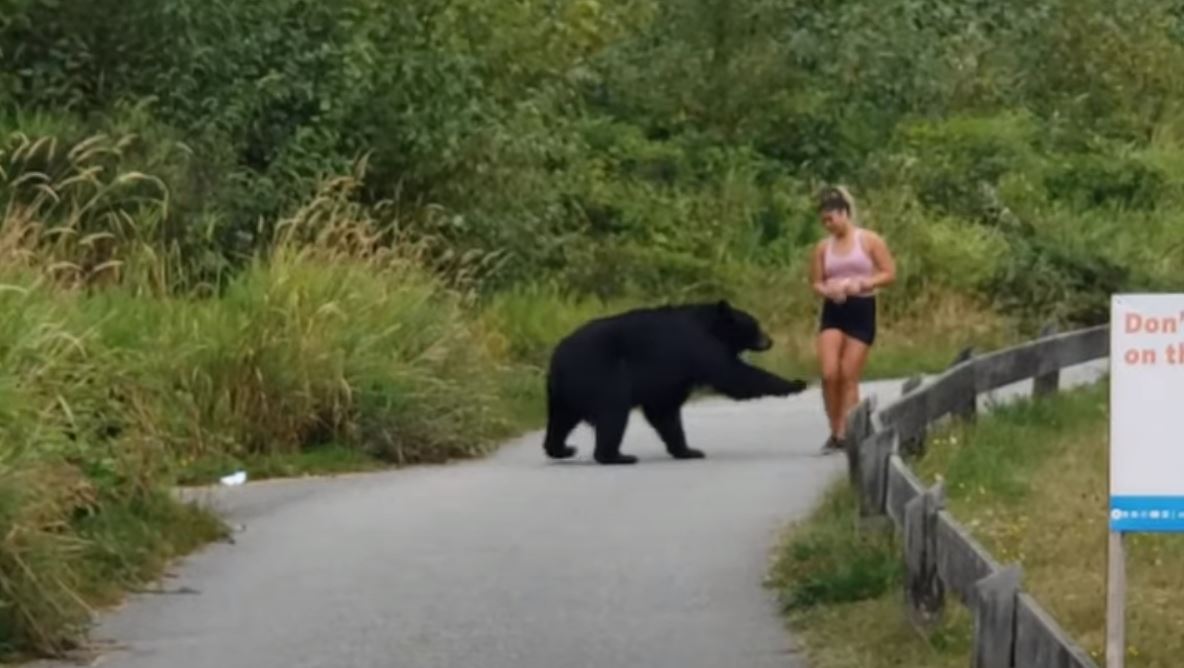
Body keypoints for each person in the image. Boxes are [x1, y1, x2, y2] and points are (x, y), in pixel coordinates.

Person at [809, 186, 896, 454]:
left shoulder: (869, 241)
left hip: (861, 308)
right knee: (829, 373)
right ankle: (835, 429)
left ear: (844, 214)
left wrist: (864, 283)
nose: (828, 226)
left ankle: (850, 431)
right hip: (834, 310)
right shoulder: (823, 248)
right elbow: (816, 282)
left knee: (848, 374)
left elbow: (889, 273)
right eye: (823, 221)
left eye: (831, 219)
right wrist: (828, 290)